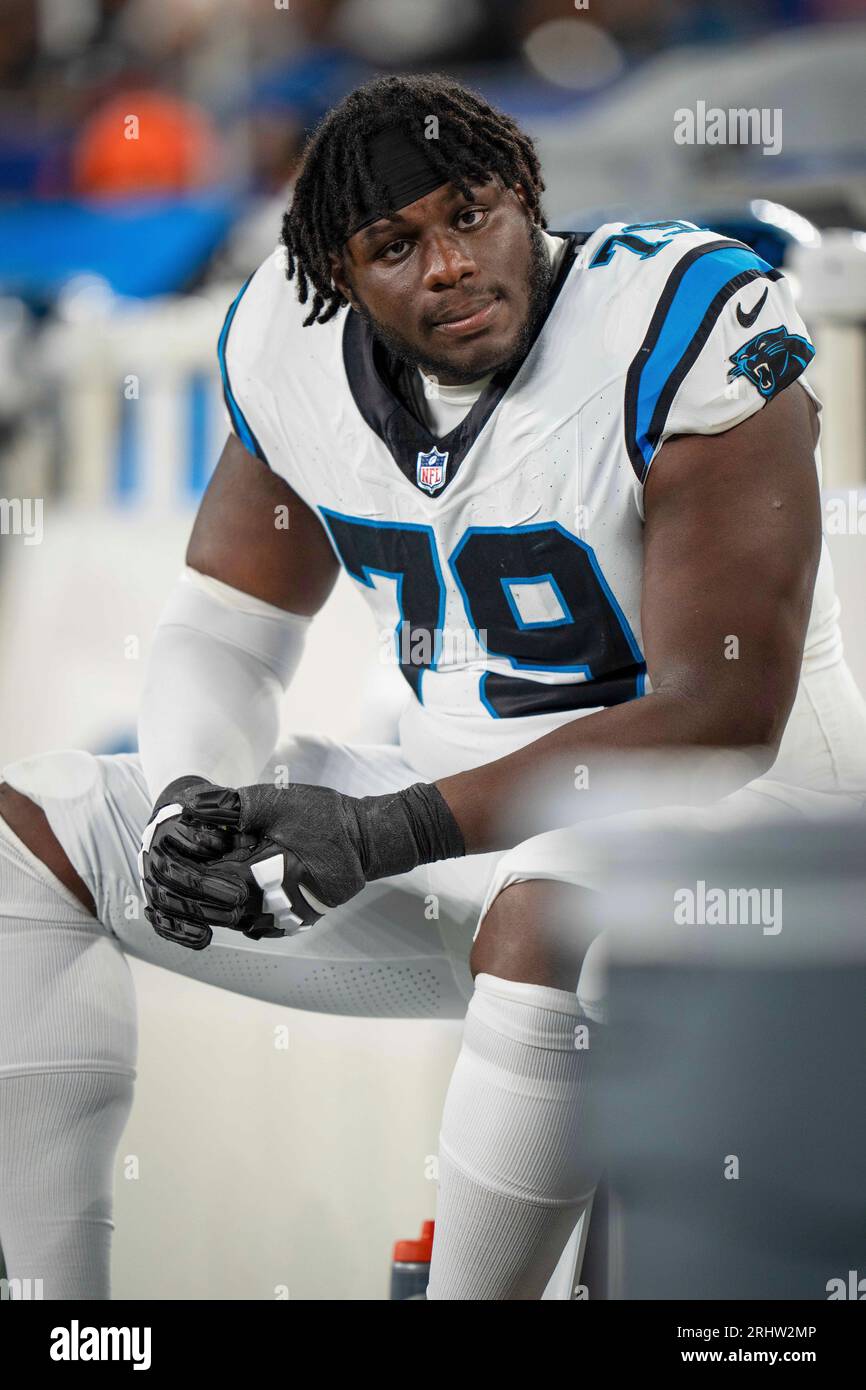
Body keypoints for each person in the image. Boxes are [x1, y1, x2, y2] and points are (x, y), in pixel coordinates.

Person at [2, 72, 865, 1301]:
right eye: (394, 244)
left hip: (751, 832)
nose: (448, 264)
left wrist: (380, 830)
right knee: (35, 829)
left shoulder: (681, 317)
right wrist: (195, 797)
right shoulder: (287, 345)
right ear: (337, 277)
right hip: (450, 818)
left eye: (469, 214)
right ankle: (55, 1318)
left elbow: (718, 716)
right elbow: (226, 629)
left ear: (525, 198)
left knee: (546, 908)